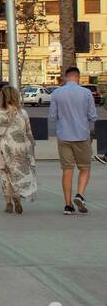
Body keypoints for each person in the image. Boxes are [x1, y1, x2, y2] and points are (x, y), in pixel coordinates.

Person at [49, 65, 96, 216]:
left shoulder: (57, 93)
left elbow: (52, 116)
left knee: (67, 170)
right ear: (78, 77)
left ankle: (68, 205)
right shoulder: (86, 93)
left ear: (65, 77)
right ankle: (80, 195)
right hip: (82, 135)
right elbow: (92, 116)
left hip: (64, 136)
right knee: (85, 168)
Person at [0, 83, 37, 214]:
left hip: (4, 147)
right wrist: (32, 147)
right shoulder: (23, 113)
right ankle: (17, 196)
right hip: (21, 147)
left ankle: (8, 203)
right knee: (18, 174)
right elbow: (28, 132)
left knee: (5, 174)